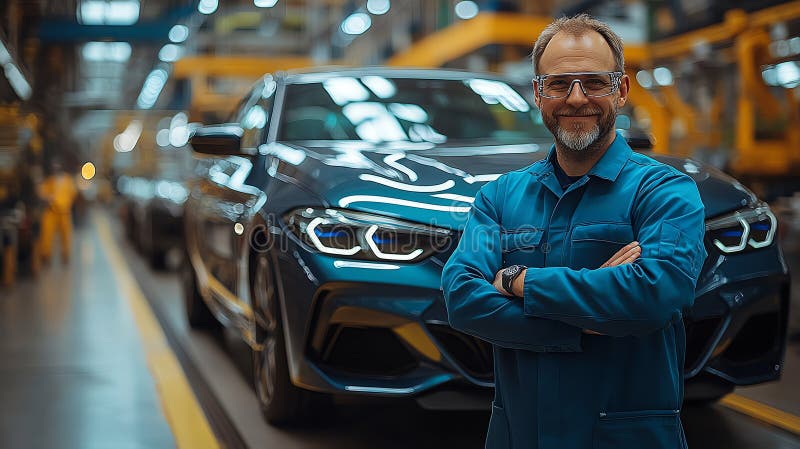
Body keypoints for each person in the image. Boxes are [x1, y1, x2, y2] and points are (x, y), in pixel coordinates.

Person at [441, 14, 707, 449]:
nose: (577, 99)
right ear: (538, 93)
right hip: (520, 434)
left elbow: (657, 292)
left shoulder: (663, 190)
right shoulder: (500, 197)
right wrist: (583, 323)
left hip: (628, 437)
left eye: (594, 83)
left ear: (620, 91)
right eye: (560, 84)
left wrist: (517, 281)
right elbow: (462, 297)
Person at [38, 159, 77, 265]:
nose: (56, 168)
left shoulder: (68, 180)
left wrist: (66, 203)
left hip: (64, 212)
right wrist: (47, 197)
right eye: (54, 166)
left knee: (66, 235)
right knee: (47, 233)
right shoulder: (50, 180)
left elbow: (72, 194)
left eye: (57, 165)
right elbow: (42, 191)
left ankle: (65, 254)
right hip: (51, 211)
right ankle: (46, 255)